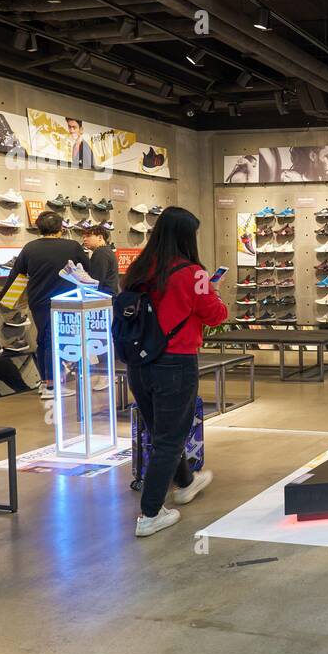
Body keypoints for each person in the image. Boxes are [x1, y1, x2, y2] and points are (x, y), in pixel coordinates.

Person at [122, 207, 227, 538]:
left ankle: (185, 482)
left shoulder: (139, 269)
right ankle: (149, 513)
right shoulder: (193, 274)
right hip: (176, 362)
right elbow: (215, 316)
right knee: (169, 439)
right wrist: (215, 296)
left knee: (161, 433)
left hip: (139, 363)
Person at [0, 211, 91, 399]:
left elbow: (18, 274)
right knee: (55, 341)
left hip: (38, 301)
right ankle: (52, 385)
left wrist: (4, 297)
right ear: (61, 228)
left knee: (44, 339)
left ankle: (45, 382)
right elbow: (88, 270)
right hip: (66, 300)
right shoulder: (73, 246)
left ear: (39, 228)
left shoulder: (30, 248)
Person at [83, 225, 119, 295]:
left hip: (104, 297)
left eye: (88, 236)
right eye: (84, 237)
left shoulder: (100, 252)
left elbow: (96, 280)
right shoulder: (106, 251)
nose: (84, 239)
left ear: (100, 237)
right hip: (108, 296)